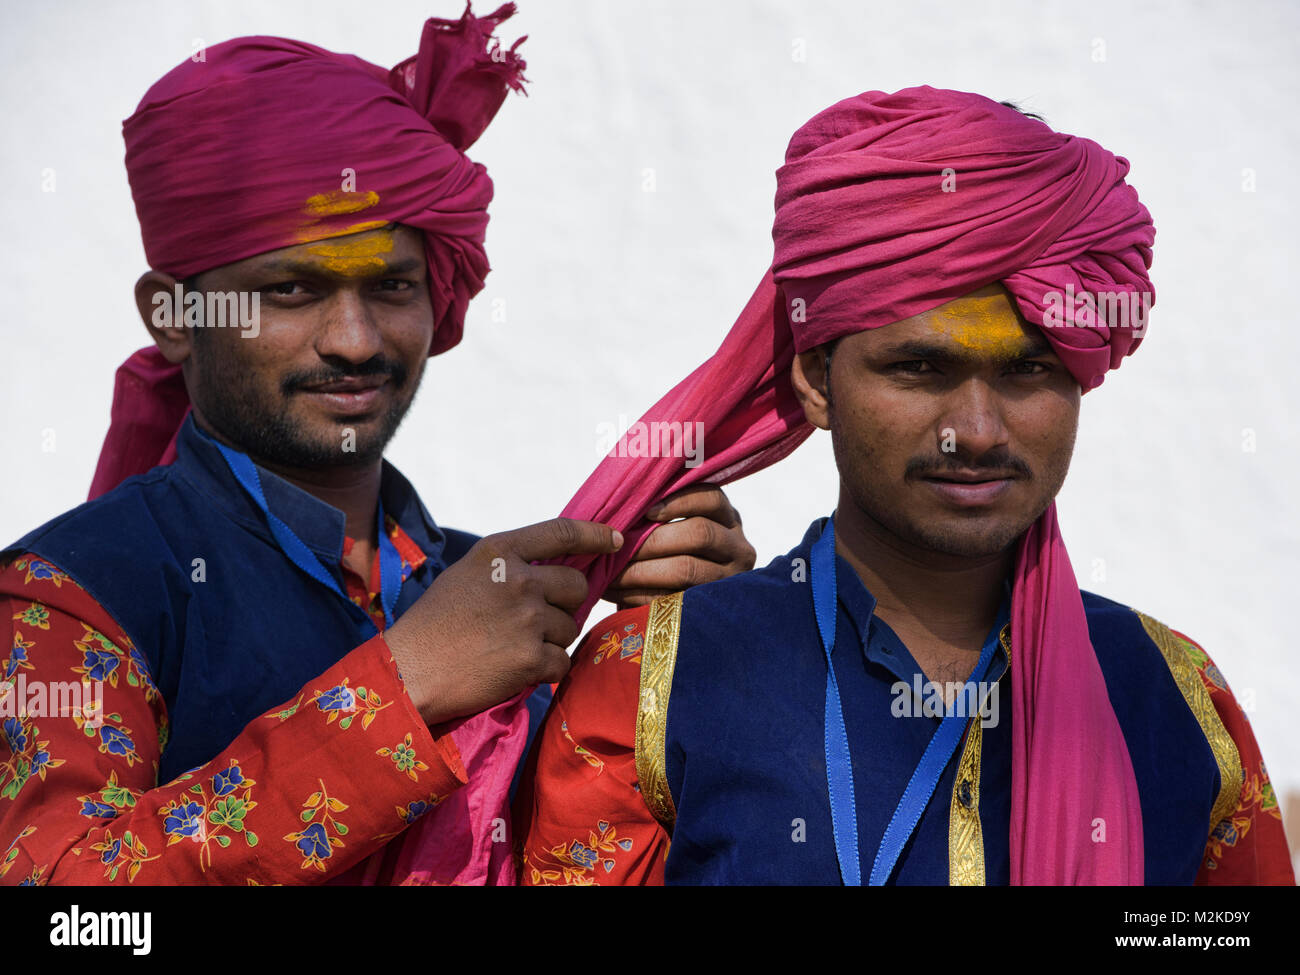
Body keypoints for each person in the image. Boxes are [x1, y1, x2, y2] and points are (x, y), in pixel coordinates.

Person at [0, 4, 757, 886]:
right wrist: (404, 685)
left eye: (392, 285)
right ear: (172, 315)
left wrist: (695, 655)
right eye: (291, 289)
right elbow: (63, 911)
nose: (355, 339)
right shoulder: (71, 599)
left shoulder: (509, 600)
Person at [515, 87, 1295, 885]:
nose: (980, 429)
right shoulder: (653, 680)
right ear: (818, 380)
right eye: (921, 368)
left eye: (1030, 369)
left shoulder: (1174, 695)